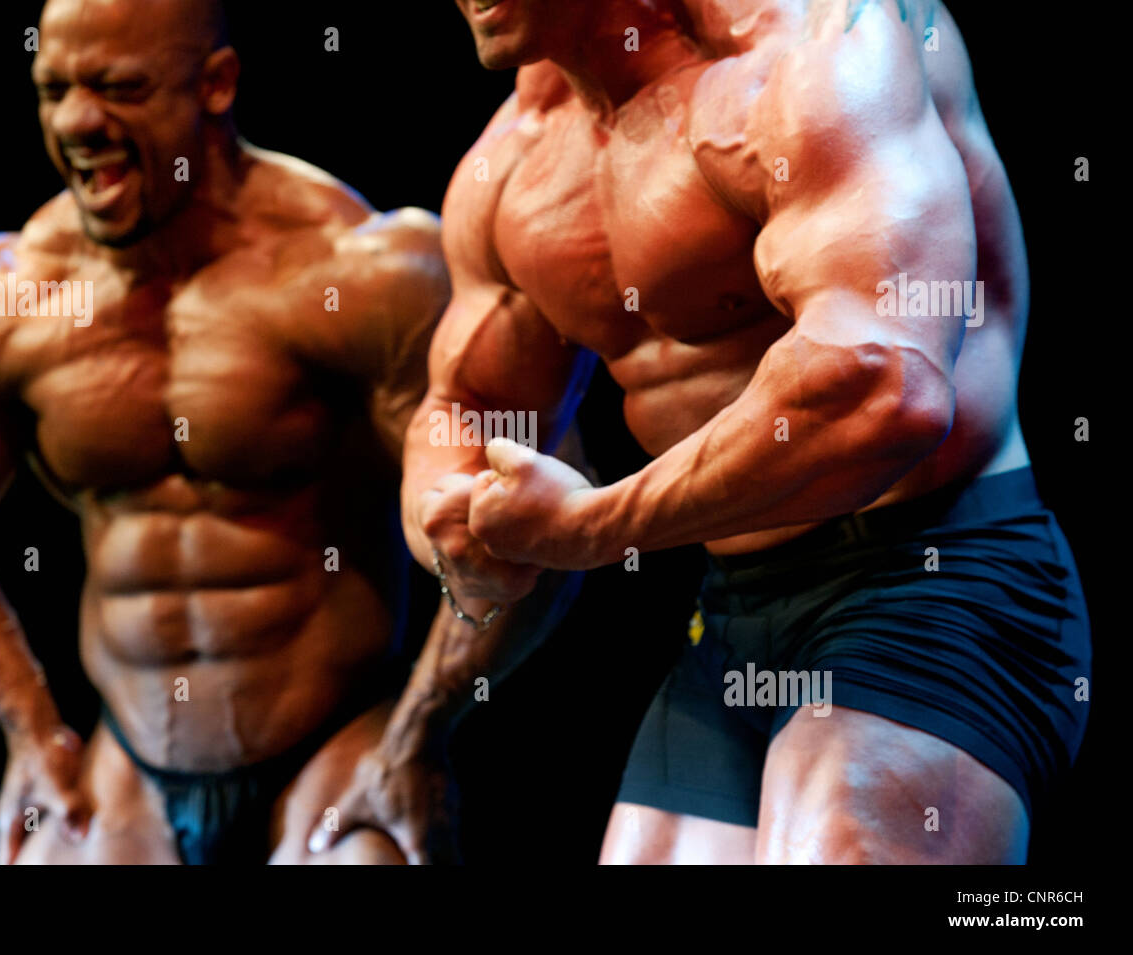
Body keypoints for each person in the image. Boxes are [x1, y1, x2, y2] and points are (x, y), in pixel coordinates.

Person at [394, 0, 1090, 862]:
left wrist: (594, 526)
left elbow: (883, 387)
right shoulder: (513, 159)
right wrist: (452, 520)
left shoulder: (815, 49)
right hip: (732, 616)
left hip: (935, 572)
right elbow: (460, 403)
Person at [0, 0, 489, 864]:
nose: (78, 120)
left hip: (337, 741)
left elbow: (515, 509)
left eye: (118, 87)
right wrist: (30, 727)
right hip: (128, 762)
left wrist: (422, 729)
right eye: (54, 88)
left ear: (216, 83)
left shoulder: (362, 272)